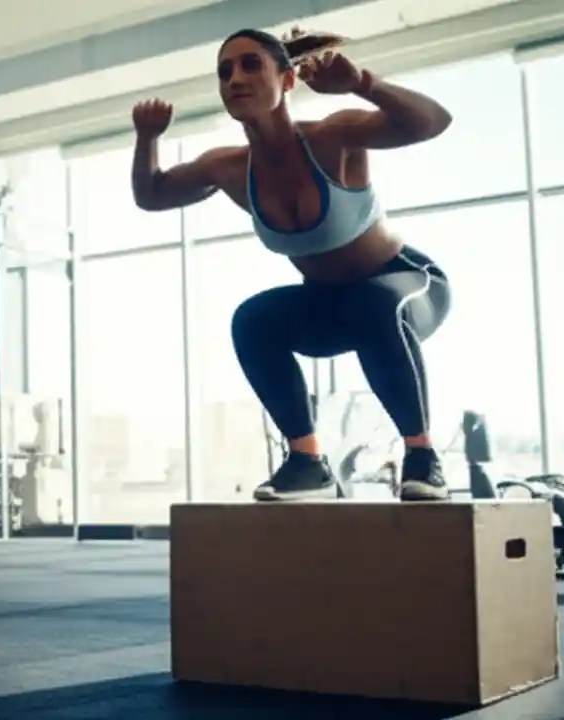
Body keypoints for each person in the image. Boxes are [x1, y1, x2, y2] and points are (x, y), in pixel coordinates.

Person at [130, 28, 454, 503]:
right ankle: (307, 461)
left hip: (406, 286)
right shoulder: (227, 168)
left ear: (287, 80)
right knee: (254, 320)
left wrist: (364, 83)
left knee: (374, 303)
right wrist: (147, 139)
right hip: (333, 304)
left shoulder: (333, 137)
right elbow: (151, 195)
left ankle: (422, 455)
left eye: (250, 65)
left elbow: (433, 122)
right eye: (225, 71)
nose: (235, 78)